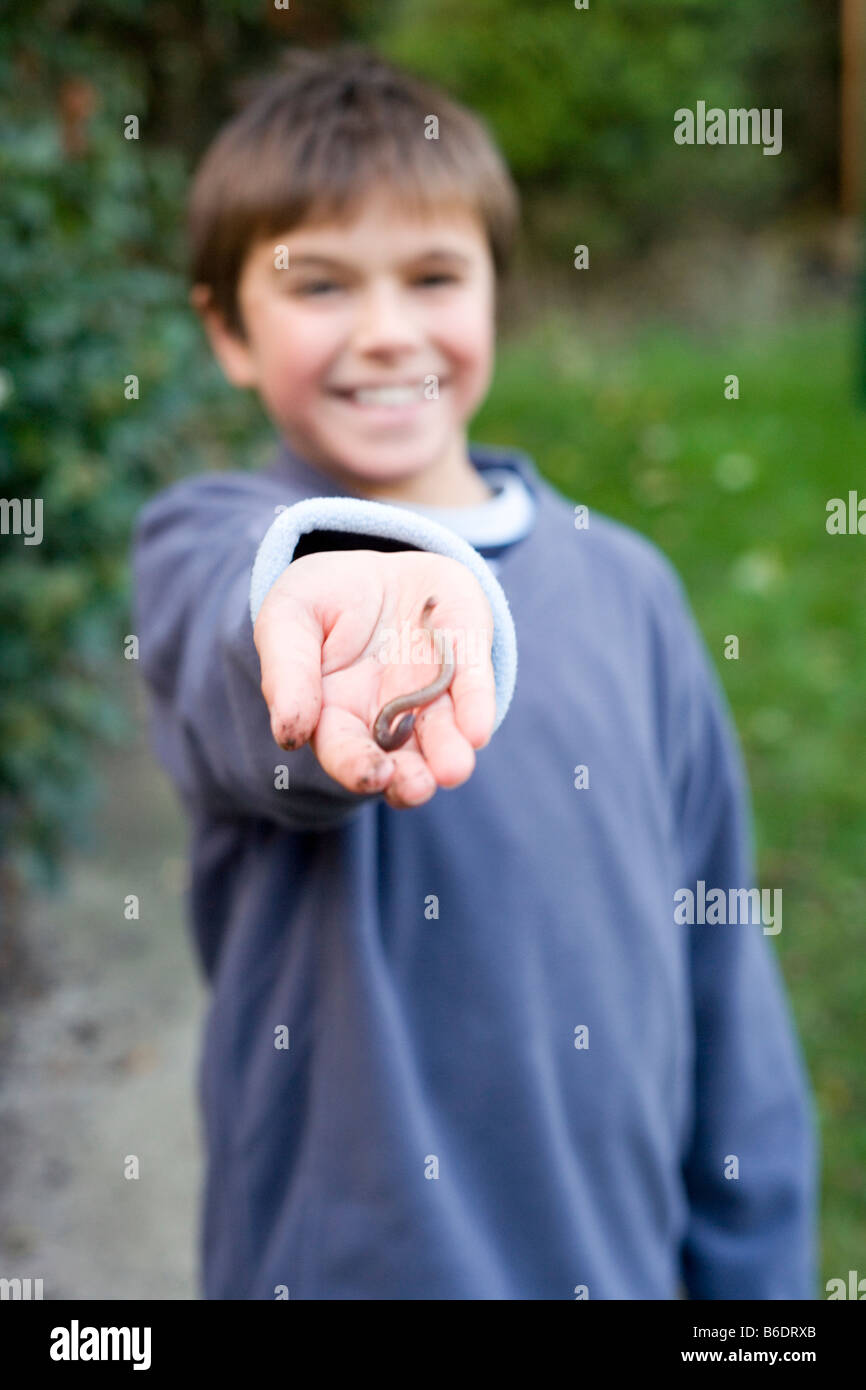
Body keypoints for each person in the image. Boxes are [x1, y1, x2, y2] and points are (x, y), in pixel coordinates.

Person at [132, 45, 818, 1300]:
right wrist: (320, 597)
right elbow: (240, 666)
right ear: (226, 330)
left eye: (433, 276)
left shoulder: (632, 591)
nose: (386, 332)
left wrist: (755, 1279)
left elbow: (720, 956)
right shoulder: (212, 548)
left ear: (496, 294)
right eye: (319, 285)